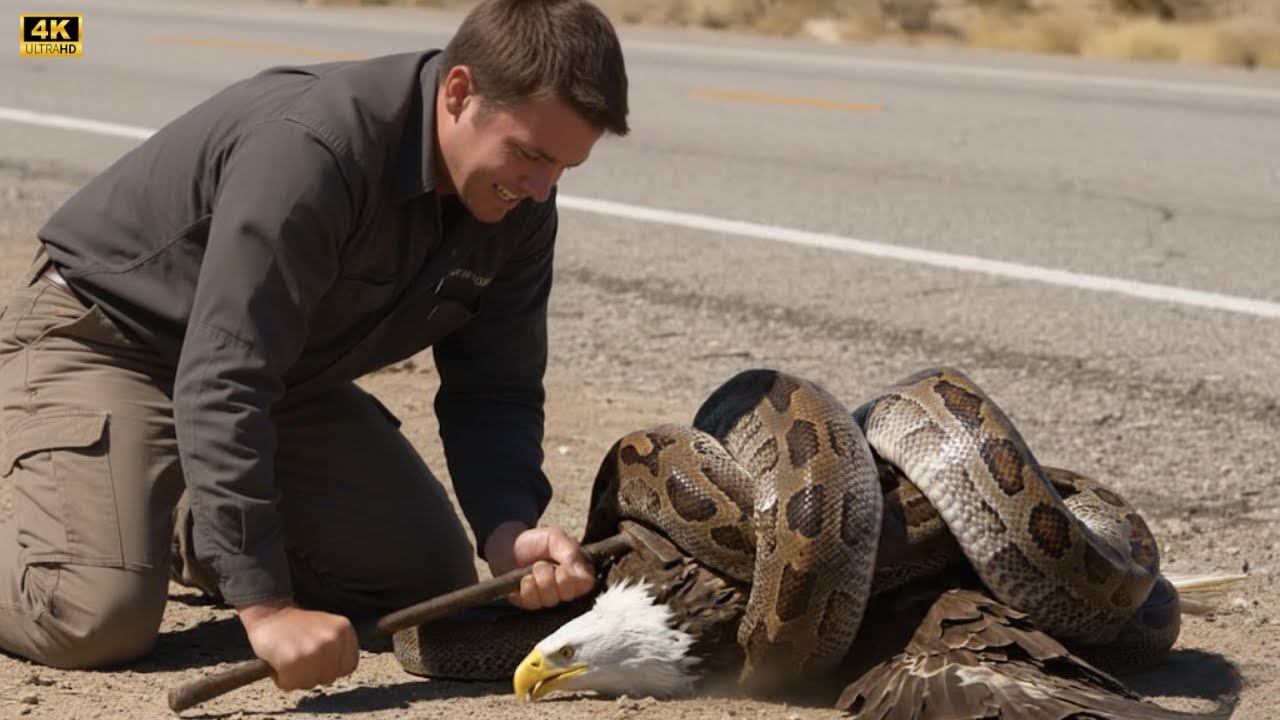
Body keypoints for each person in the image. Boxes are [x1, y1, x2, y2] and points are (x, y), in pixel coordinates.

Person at [0, 0, 629, 693]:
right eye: (532, 154)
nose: (542, 189)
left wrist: (507, 528)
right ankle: (142, 532)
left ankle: (182, 519)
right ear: (459, 92)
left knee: (418, 583)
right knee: (93, 617)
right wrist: (265, 608)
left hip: (278, 375)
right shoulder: (318, 147)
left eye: (565, 167)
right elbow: (225, 375)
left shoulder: (520, 205)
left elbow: (495, 388)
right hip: (111, 339)